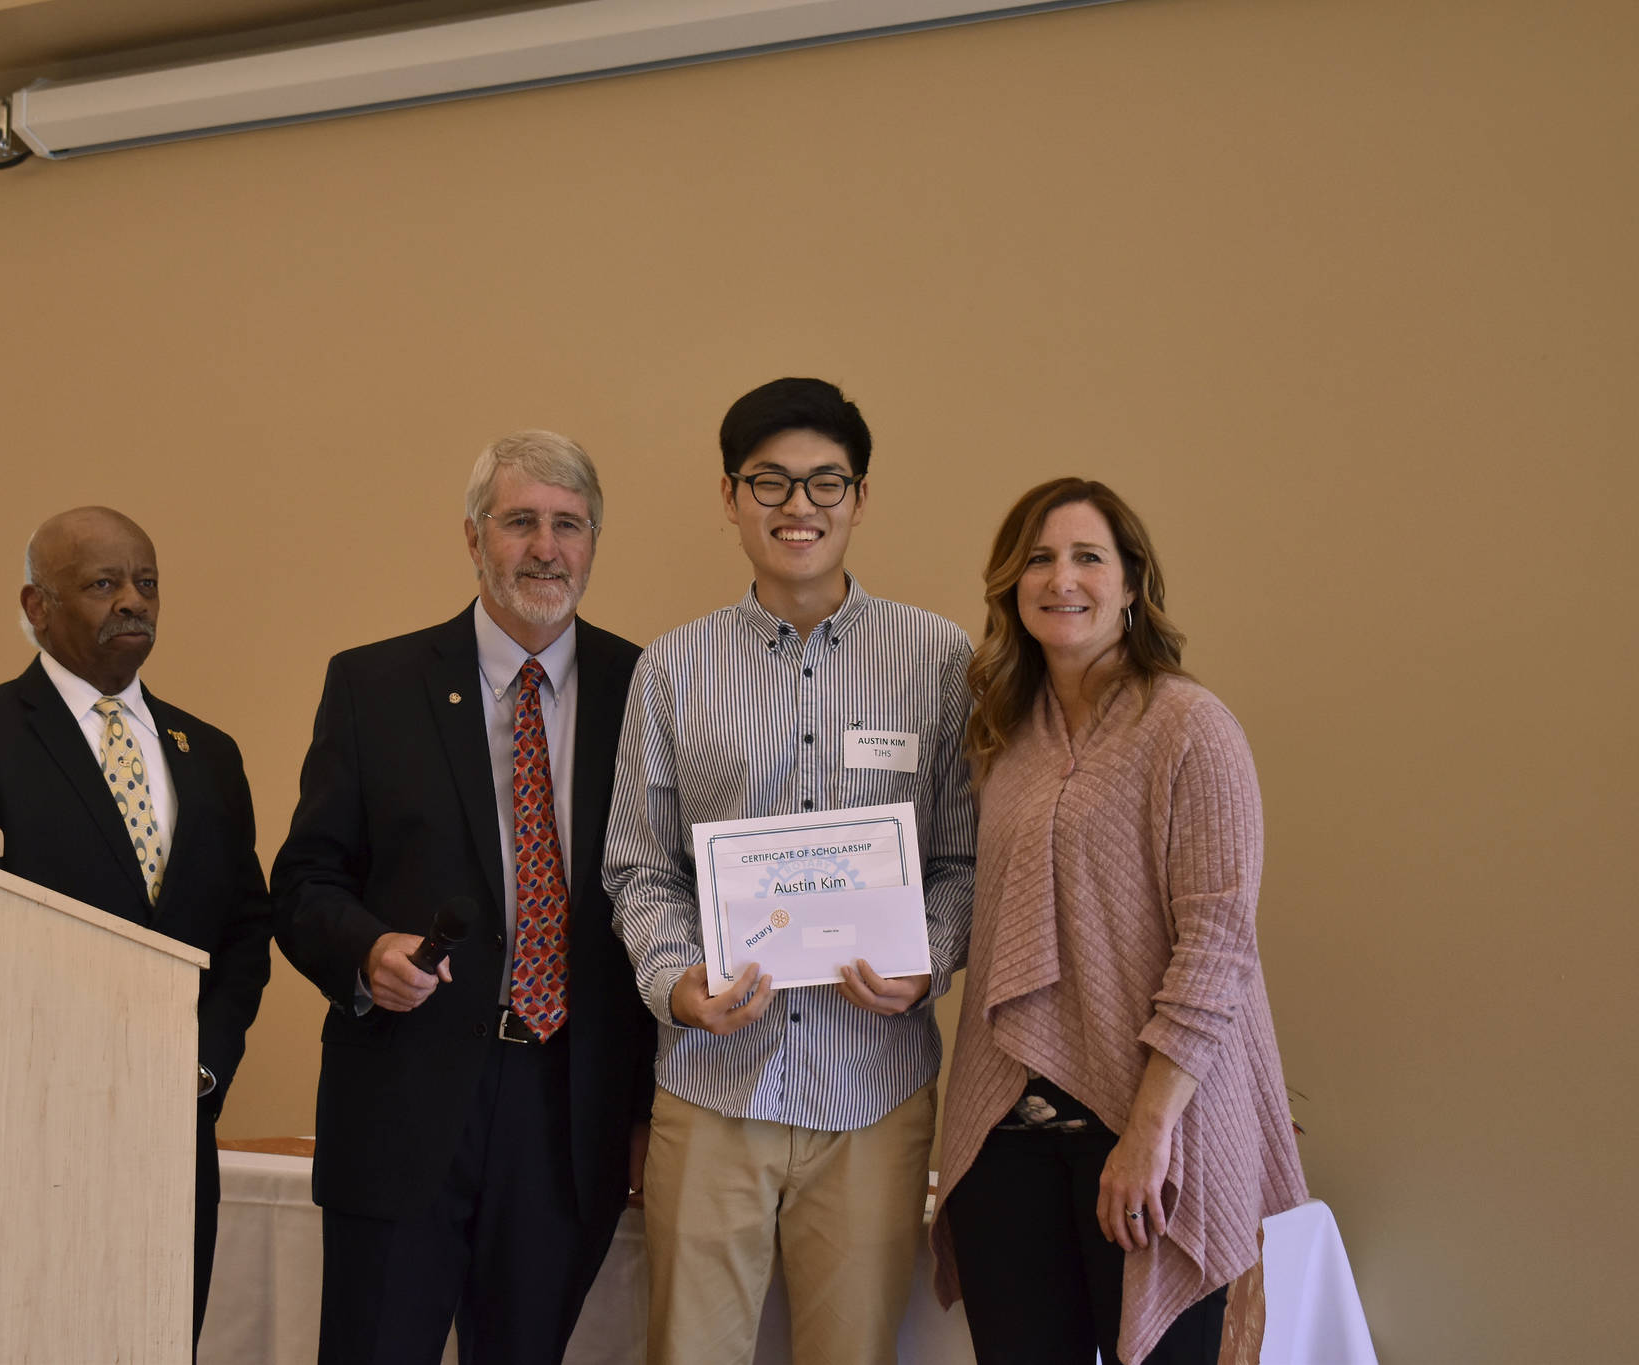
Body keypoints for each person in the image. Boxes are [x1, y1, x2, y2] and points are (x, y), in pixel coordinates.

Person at [604, 377, 976, 1365]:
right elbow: (640, 870)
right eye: (769, 483)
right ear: (728, 499)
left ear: (859, 499)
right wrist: (675, 983)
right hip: (711, 1084)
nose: (798, 507)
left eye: (824, 483)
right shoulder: (671, 670)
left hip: (873, 1090)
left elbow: (962, 859)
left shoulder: (938, 659)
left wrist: (924, 960)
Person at [269, 431, 655, 1365]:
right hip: (403, 1102)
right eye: (520, 520)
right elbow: (304, 879)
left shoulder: (646, 686)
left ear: (594, 541)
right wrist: (366, 952)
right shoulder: (374, 684)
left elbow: (664, 891)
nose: (546, 547)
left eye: (569, 524)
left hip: (567, 1116)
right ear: (474, 537)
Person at [931, 477, 1307, 1365]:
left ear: (1132, 584)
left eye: (1087, 556)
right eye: (1039, 558)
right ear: (1011, 586)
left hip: (1150, 1132)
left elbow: (1218, 947)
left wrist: (1148, 1132)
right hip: (1007, 1136)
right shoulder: (1001, 736)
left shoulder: (1192, 726)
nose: (1062, 578)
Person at [0, 505, 275, 1346]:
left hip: (176, 1135)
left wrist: (203, 1068)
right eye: (104, 584)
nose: (132, 603)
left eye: (146, 583)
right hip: (26, 1140)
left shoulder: (208, 752)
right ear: (36, 606)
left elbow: (244, 930)